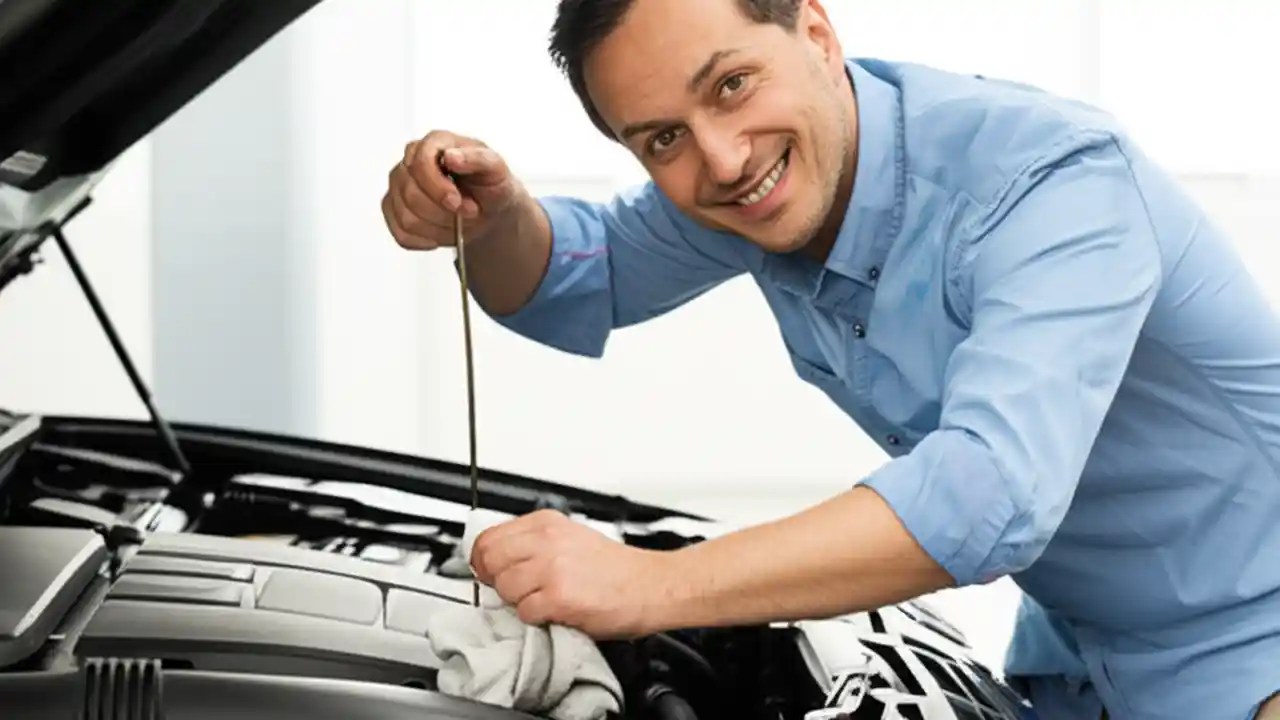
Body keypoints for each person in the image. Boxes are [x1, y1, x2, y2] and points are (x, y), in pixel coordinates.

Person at [380, 0, 1280, 718]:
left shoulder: (1051, 183)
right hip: (1079, 665)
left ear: (815, 30)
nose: (723, 160)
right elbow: (576, 278)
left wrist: (651, 584)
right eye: (661, 138)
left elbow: (990, 489)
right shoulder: (754, 184)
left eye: (732, 85)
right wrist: (493, 218)